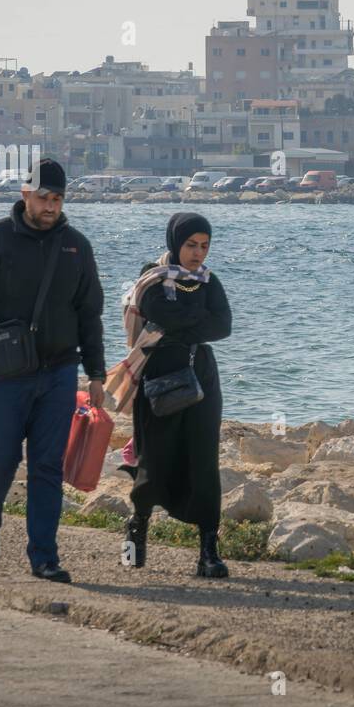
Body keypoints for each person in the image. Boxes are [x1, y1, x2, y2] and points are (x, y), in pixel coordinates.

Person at [0, 158, 106, 582]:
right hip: (3, 375)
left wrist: (96, 374)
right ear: (25, 194)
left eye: (57, 198)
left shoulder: (76, 246)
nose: (50, 206)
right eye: (43, 198)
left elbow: (90, 314)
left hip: (58, 374)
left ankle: (44, 557)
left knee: (47, 468)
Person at [106, 212, 232, 578]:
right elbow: (159, 312)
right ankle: (137, 529)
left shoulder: (209, 280)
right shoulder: (152, 278)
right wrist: (195, 320)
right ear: (175, 243)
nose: (197, 253)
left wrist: (183, 322)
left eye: (204, 246)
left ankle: (208, 549)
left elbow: (223, 326)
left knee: (204, 460)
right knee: (154, 458)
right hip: (160, 374)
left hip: (201, 375)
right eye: (191, 245)